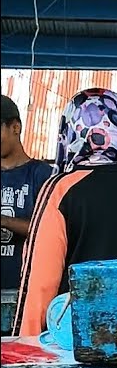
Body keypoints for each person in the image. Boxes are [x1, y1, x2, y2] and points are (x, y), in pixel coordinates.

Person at [14, 88, 117, 336]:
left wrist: (24, 348)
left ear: (70, 132)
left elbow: (38, 285)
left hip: (80, 349)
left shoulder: (61, 189)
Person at [2, 94, 55, 291]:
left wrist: (5, 221)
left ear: (15, 128)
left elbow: (51, 232)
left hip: (26, 292)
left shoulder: (43, 175)